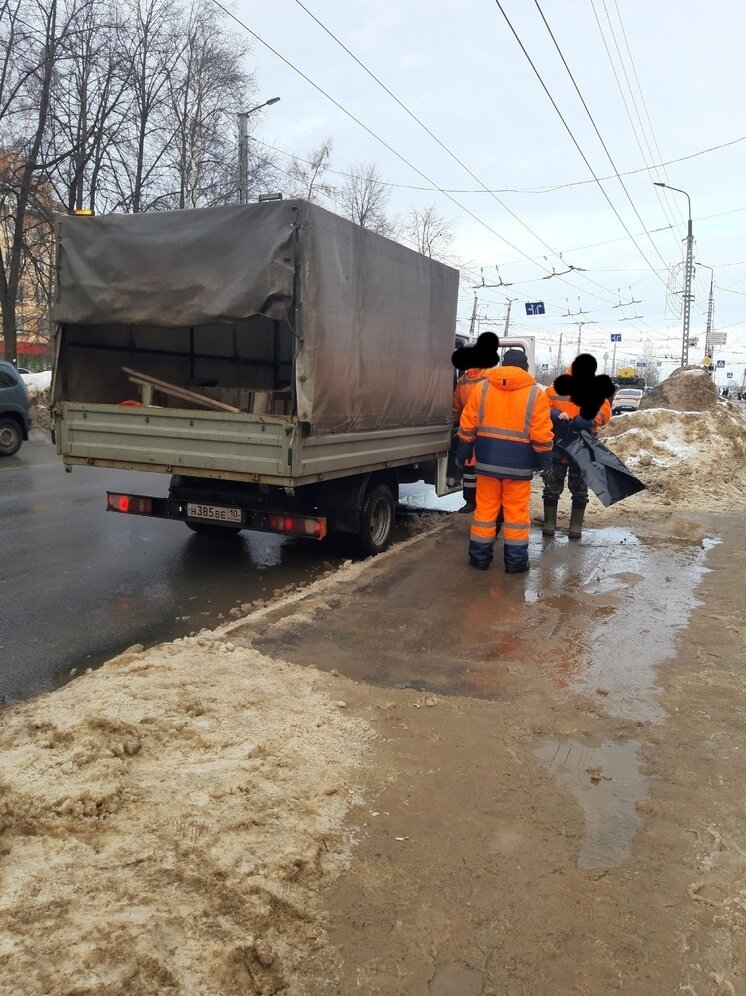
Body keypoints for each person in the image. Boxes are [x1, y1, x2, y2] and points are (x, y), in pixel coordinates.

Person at [455, 348, 553, 573]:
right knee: (516, 514)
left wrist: (462, 453)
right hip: (519, 467)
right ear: (525, 369)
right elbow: (541, 433)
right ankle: (515, 563)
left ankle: (479, 559)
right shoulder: (534, 394)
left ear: (502, 365)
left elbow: (467, 424)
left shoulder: (482, 388)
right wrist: (545, 461)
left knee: (485, 512)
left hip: (487, 463)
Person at [542, 371, 612, 539]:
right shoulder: (552, 391)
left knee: (579, 489)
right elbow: (542, 407)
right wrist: (554, 414)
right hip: (559, 444)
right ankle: (549, 525)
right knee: (552, 486)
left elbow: (604, 412)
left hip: (582, 445)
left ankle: (575, 528)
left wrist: (589, 419)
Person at [451, 332, 500, 513]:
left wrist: (458, 424)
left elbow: (457, 407)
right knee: (476, 469)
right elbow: (457, 406)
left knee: (476, 468)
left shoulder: (482, 376)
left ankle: (476, 502)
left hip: (477, 429)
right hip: (480, 430)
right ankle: (477, 501)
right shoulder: (482, 376)